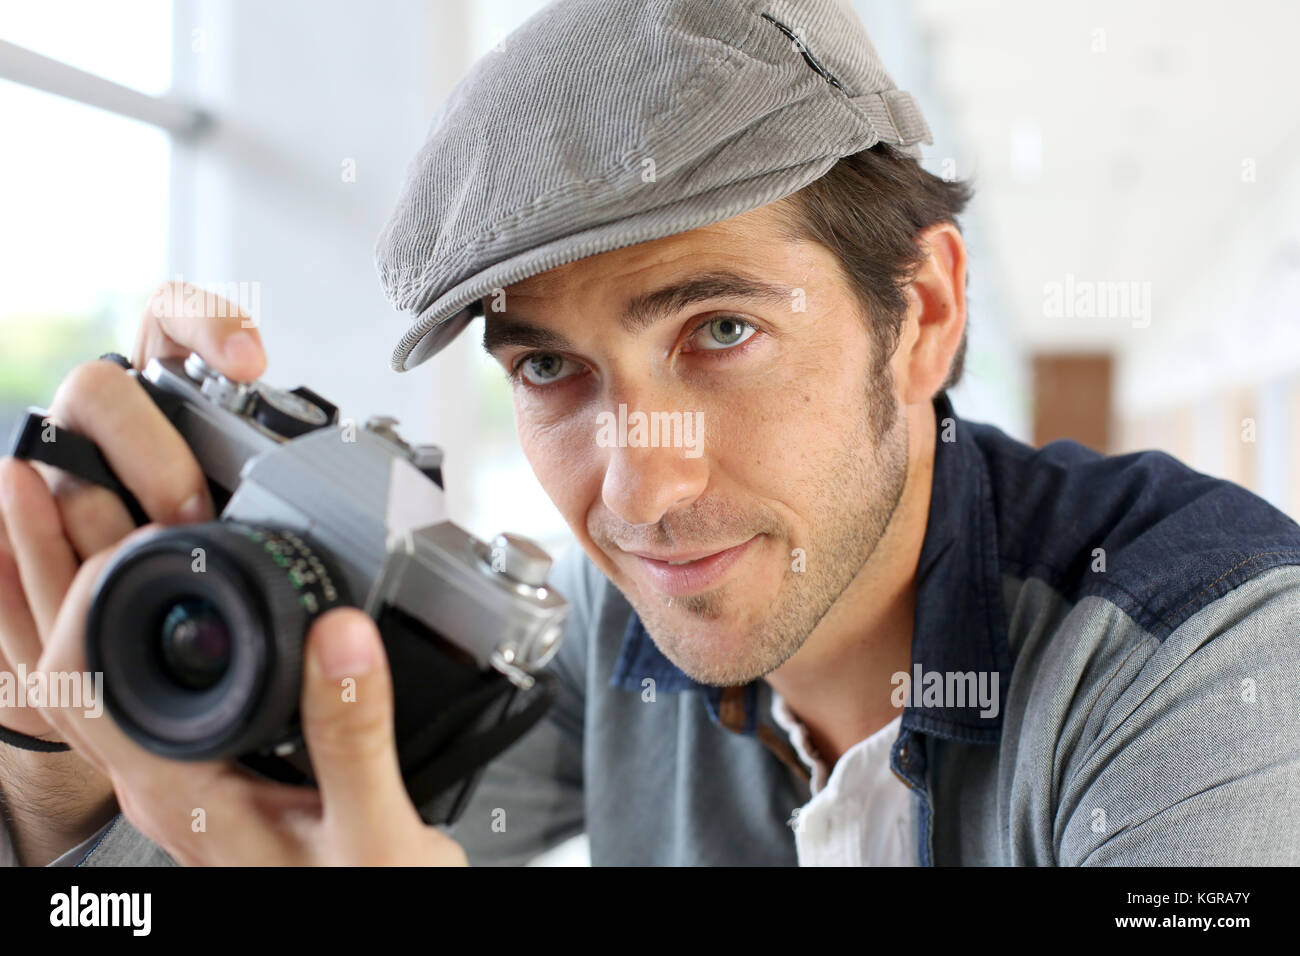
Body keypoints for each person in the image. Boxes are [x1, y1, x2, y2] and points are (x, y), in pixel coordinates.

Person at [3, 0, 1299, 867]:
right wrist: (72, 757)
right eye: (552, 366)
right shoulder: (612, 640)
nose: (643, 490)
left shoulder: (1219, 655)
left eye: (719, 332)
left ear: (924, 314)